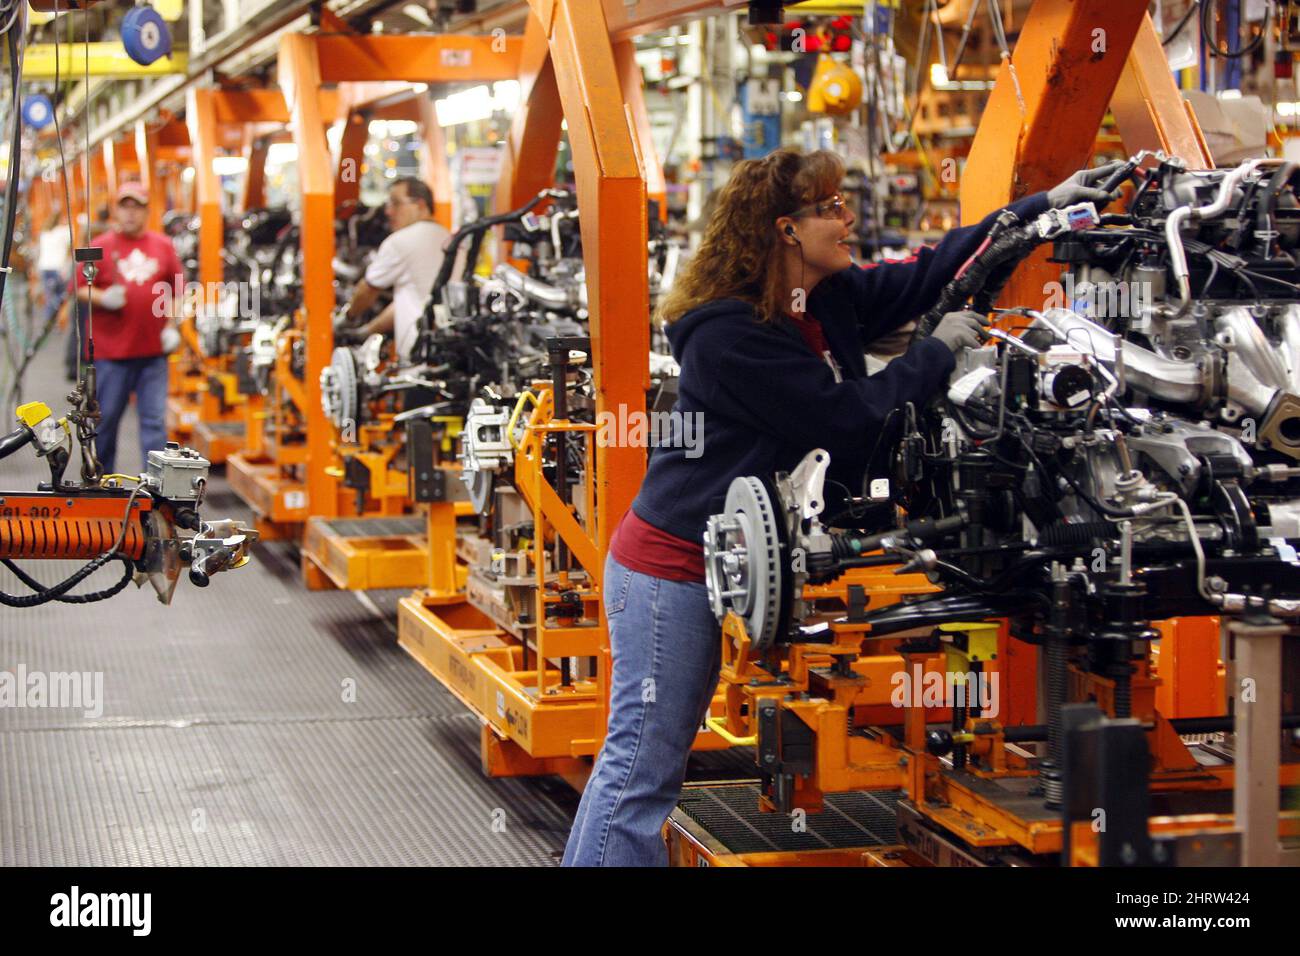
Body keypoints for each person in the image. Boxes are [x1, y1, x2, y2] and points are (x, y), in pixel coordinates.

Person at [560, 148, 1123, 866]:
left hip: (719, 563)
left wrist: (1040, 209)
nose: (848, 216)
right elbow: (843, 421)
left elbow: (929, 269)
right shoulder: (729, 337)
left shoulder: (823, 300)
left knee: (646, 763)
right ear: (785, 229)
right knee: (642, 768)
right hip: (668, 571)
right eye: (830, 207)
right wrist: (936, 356)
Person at [70, 181, 184, 474]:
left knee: (154, 424)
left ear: (147, 211)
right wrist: (102, 297)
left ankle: (156, 488)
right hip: (111, 355)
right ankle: (101, 482)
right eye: (125, 206)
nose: (131, 213)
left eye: (137, 207)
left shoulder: (163, 246)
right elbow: (79, 287)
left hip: (153, 354)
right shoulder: (100, 247)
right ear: (115, 210)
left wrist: (172, 325)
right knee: (104, 422)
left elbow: (178, 289)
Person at [343, 176, 451, 362]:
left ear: (420, 205)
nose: (388, 212)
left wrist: (347, 317)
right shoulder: (449, 239)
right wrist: (366, 331)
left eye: (395, 203)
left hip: (416, 357)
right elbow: (409, 302)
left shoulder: (400, 242)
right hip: (449, 353)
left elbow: (367, 291)